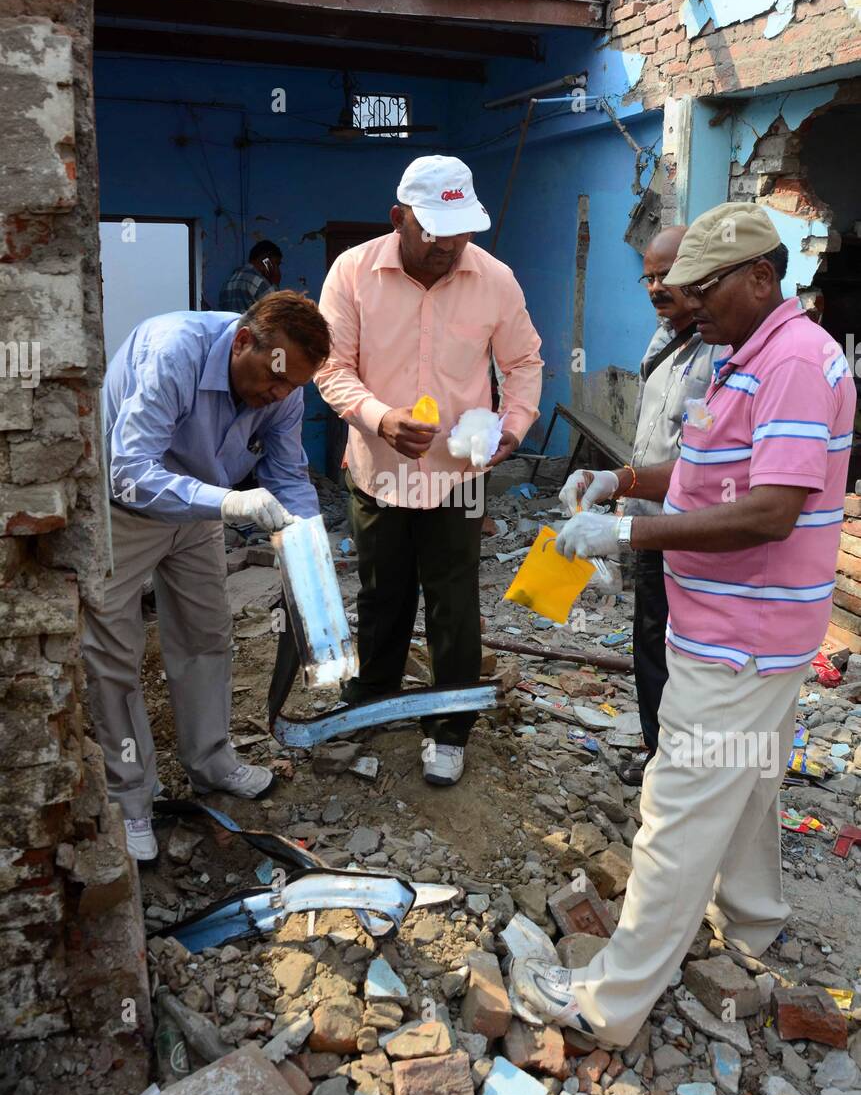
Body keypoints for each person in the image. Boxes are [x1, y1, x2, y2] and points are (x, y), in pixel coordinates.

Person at [511, 201, 853, 1048]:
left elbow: (770, 510)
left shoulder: (795, 365)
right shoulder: (744, 357)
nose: (686, 302)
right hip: (744, 631)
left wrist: (623, 532)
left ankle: (606, 1003)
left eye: (703, 289)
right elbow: (706, 467)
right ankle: (753, 921)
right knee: (745, 780)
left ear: (762, 278)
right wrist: (623, 482)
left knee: (674, 810)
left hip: (738, 636)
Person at [315, 154, 543, 786]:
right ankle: (373, 710)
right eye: (435, 233)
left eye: (462, 231)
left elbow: (523, 362)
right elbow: (331, 368)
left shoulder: (495, 279)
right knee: (382, 597)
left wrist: (514, 426)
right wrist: (380, 418)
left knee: (454, 604)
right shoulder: (353, 272)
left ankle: (449, 728)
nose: (450, 246)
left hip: (457, 478)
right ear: (399, 218)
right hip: (378, 472)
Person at [83, 293, 330, 862]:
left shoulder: (283, 387)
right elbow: (130, 473)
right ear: (243, 341)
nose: (279, 396)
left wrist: (310, 547)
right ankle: (130, 799)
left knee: (205, 634)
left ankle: (212, 760)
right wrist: (228, 504)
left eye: (294, 386)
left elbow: (289, 474)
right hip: (123, 512)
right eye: (276, 380)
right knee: (113, 657)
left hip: (199, 509)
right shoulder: (175, 354)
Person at [562, 226, 722, 785]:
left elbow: (706, 467)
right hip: (649, 522)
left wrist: (621, 483)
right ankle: (660, 752)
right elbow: (654, 434)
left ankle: (689, 765)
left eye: (668, 274)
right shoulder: (661, 339)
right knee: (649, 639)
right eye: (648, 276)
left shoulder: (723, 350)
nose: (657, 286)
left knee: (687, 651)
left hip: (695, 531)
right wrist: (613, 487)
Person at [218, 240, 282, 313]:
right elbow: (277, 312)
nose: (277, 268)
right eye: (276, 263)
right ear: (266, 261)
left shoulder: (228, 282)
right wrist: (275, 283)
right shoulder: (259, 282)